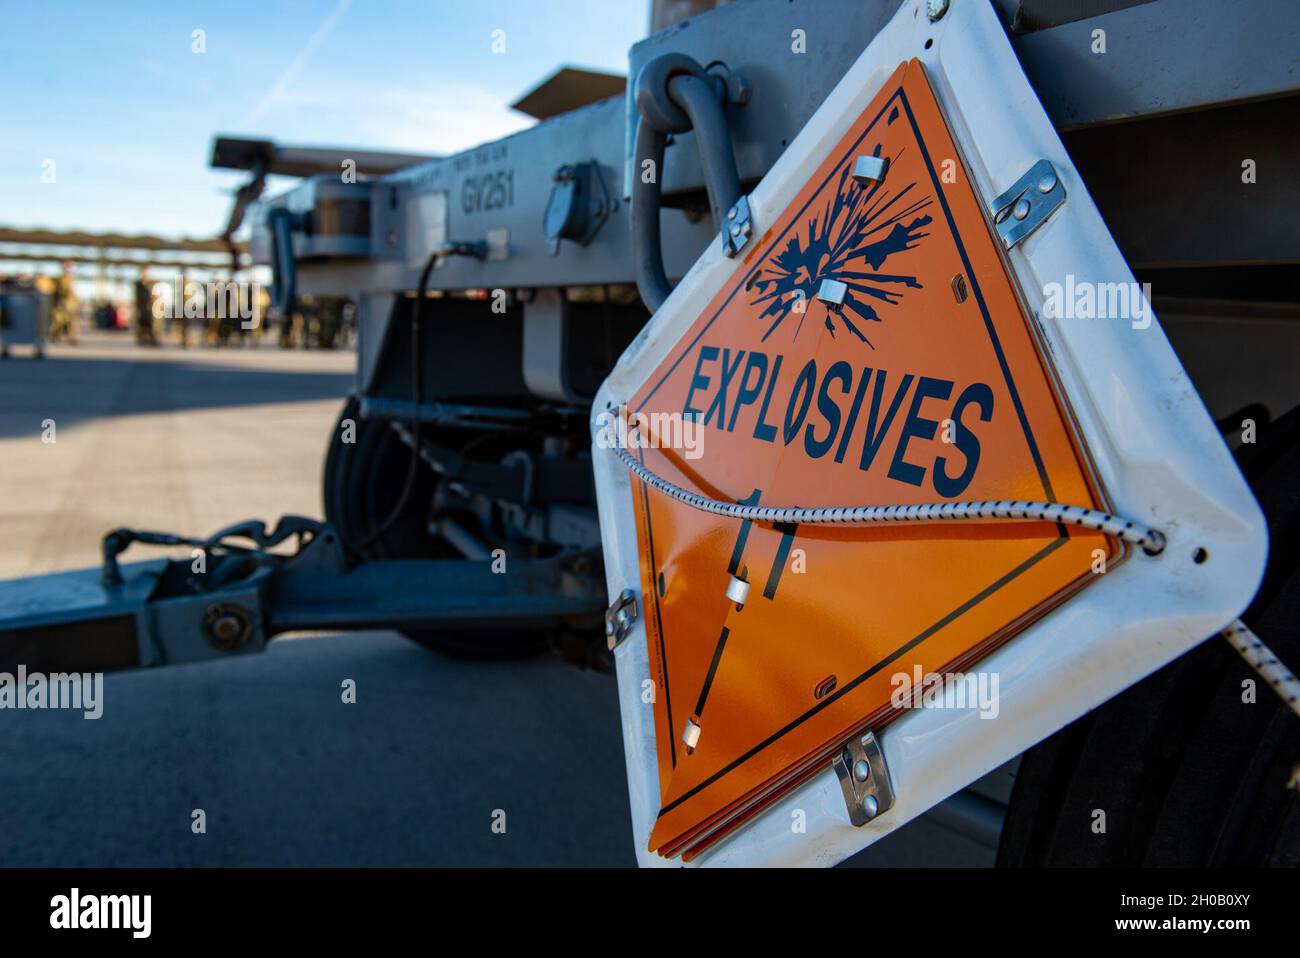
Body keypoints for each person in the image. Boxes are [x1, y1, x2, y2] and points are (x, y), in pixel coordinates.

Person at [49, 261, 79, 344]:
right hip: (62, 303)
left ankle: (72, 338)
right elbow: (58, 291)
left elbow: (73, 292)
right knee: (58, 320)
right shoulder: (61, 279)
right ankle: (55, 335)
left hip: (71, 304)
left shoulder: (72, 279)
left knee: (71, 322)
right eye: (68, 267)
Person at [134, 268, 157, 346]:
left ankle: (148, 339)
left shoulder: (147, 284)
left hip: (147, 307)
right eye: (146, 273)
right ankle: (143, 339)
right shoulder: (139, 284)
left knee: (148, 324)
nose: (147, 275)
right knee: (142, 324)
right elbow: (138, 297)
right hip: (142, 307)